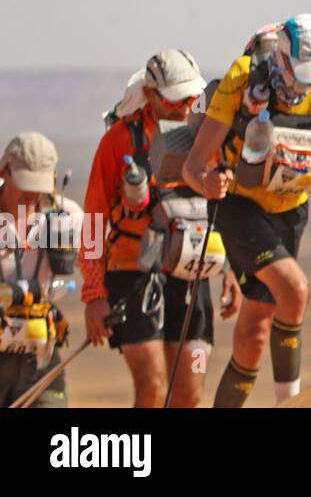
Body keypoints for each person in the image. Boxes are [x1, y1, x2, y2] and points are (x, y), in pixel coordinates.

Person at [183, 14, 311, 405]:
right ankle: (290, 402)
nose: (309, 82)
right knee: (295, 290)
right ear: (282, 59)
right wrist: (207, 181)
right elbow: (194, 166)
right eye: (301, 72)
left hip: (291, 211)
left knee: (257, 328)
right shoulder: (243, 78)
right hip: (238, 206)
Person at [79, 50, 240, 407]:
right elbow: (93, 220)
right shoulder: (118, 141)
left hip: (192, 270)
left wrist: (232, 269)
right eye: (174, 100)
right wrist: (93, 294)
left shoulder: (205, 136)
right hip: (133, 272)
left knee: (189, 393)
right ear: (150, 94)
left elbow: (223, 204)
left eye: (191, 99)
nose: (184, 108)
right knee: (152, 388)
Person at [0, 132, 81, 407]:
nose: (32, 198)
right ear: (5, 171)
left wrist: (99, 298)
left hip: (41, 355)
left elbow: (101, 261)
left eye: (39, 190)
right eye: (25, 187)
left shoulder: (67, 217)